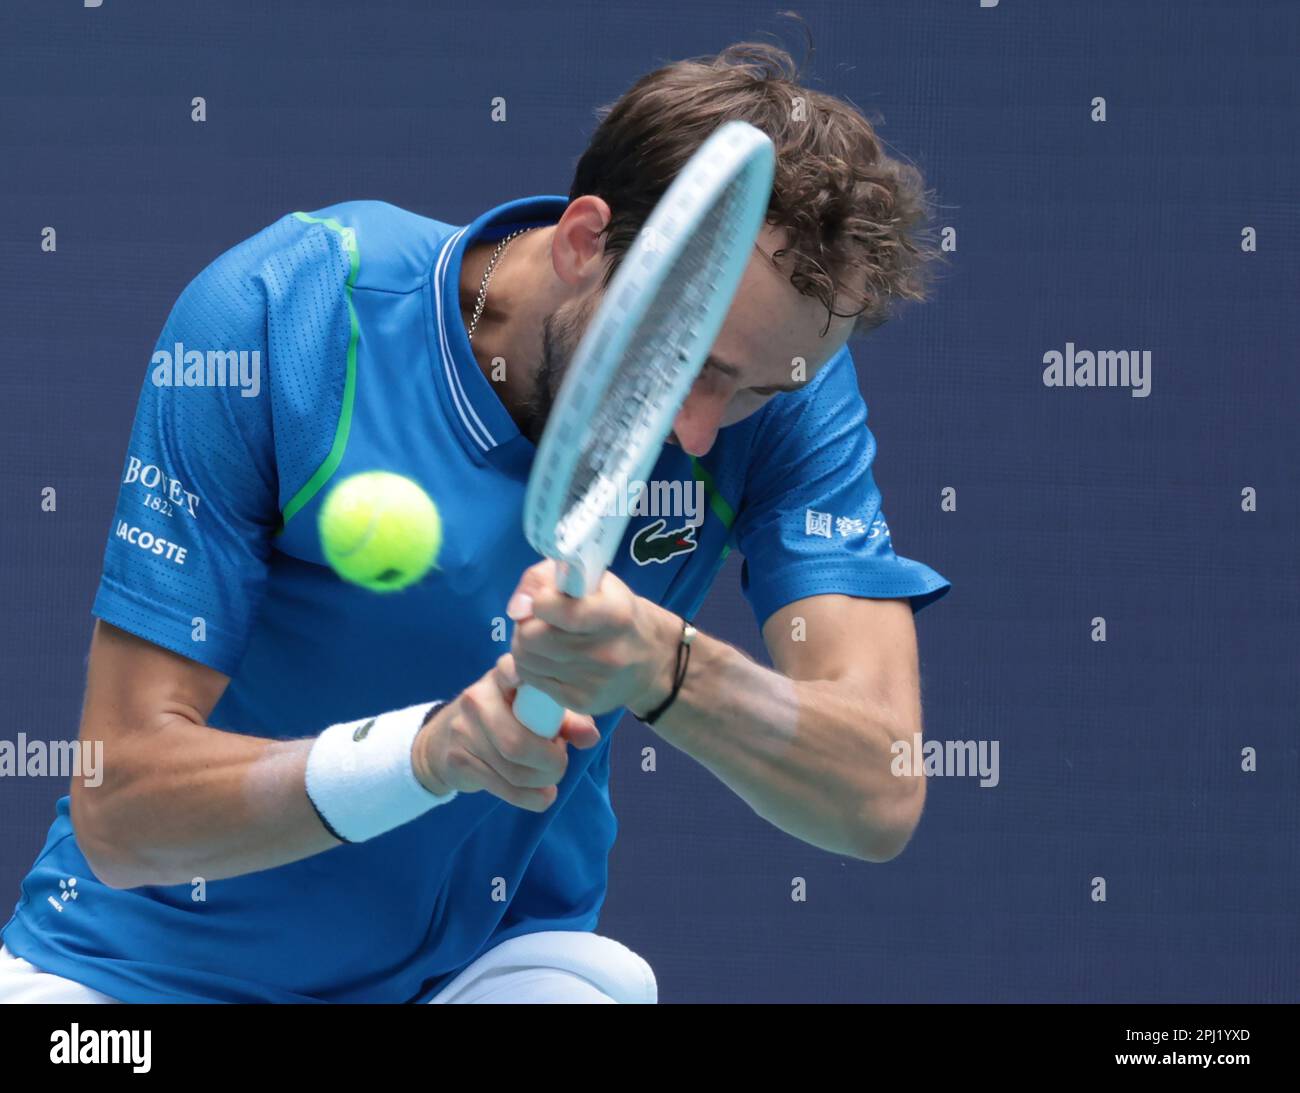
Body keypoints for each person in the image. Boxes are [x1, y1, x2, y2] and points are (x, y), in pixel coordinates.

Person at [0, 42, 948, 1003]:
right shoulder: (288, 313)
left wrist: (662, 666)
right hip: (127, 973)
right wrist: (426, 754)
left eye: (754, 389)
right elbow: (119, 806)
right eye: (690, 361)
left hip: (477, 974)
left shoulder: (778, 385)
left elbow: (880, 787)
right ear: (584, 240)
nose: (701, 429)